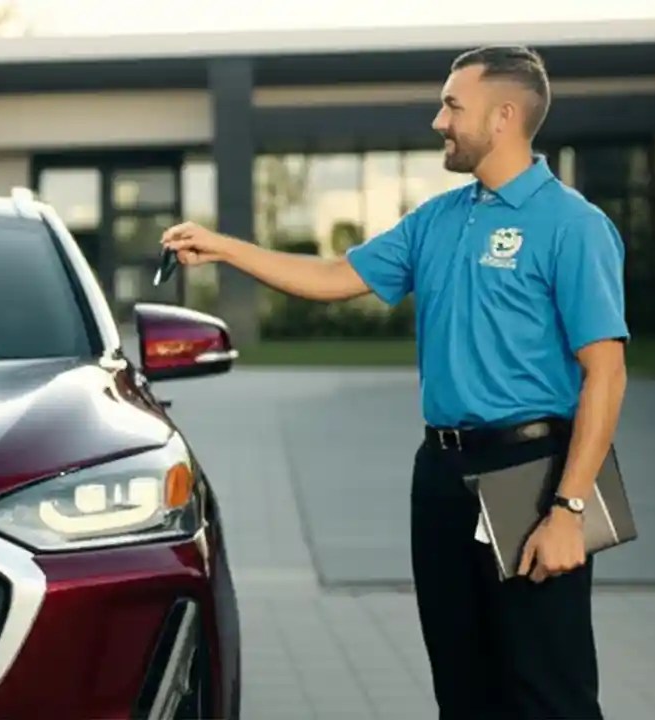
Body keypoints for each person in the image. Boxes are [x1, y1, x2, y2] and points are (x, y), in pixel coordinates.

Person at [161, 45, 628, 719]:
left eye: (452, 105)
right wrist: (223, 246)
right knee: (461, 688)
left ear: (502, 117)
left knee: (547, 693)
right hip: (439, 473)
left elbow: (606, 374)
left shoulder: (573, 225)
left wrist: (569, 509)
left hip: (531, 472)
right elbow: (332, 277)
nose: (438, 120)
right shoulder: (439, 219)